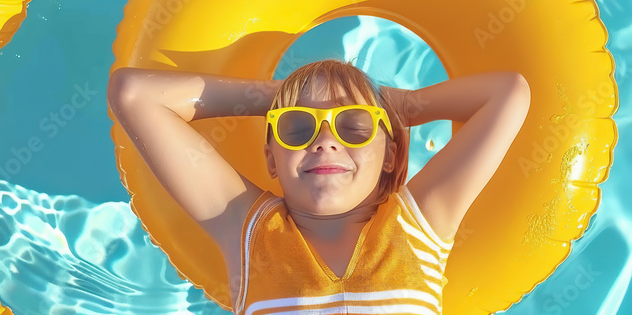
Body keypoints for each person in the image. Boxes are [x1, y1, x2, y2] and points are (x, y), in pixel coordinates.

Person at [107, 58, 531, 314]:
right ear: (271, 158)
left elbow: (509, 93)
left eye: (354, 126)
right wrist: (279, 97)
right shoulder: (246, 229)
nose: (325, 139)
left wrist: (398, 104)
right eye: (297, 126)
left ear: (388, 155)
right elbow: (133, 94)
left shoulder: (419, 223)